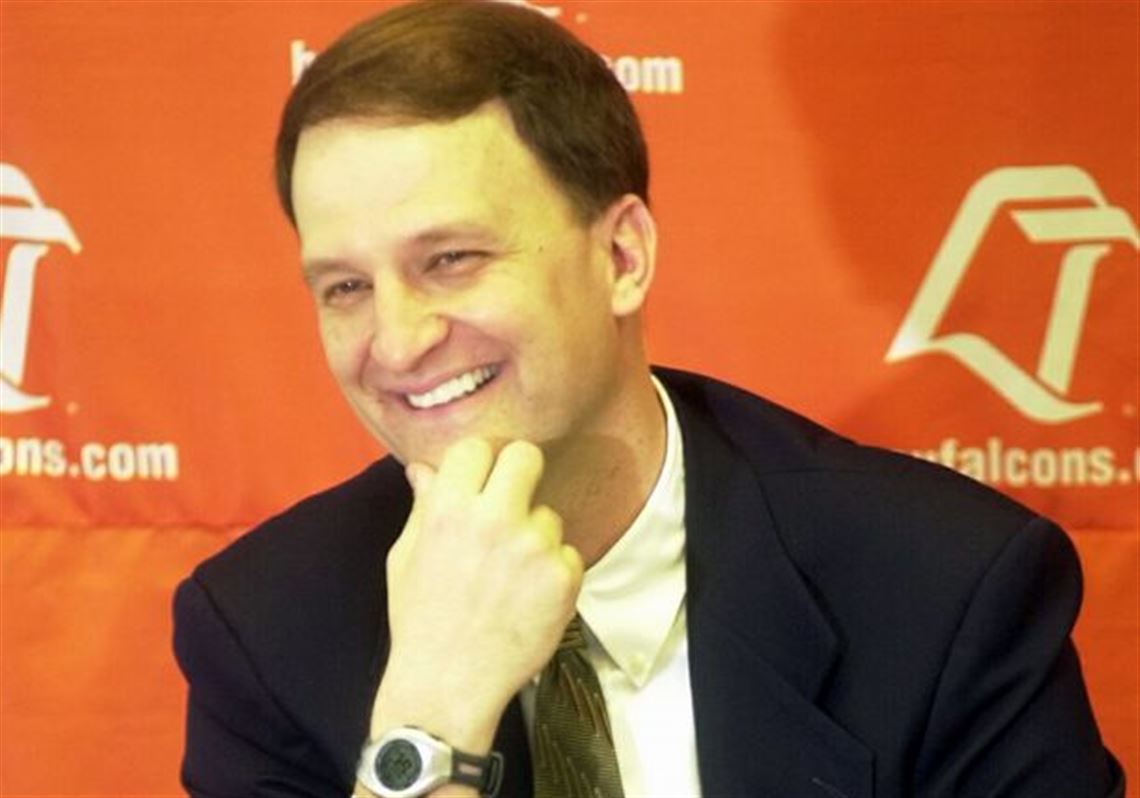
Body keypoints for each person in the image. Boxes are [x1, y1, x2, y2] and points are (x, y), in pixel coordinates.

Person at [173, 2, 1125, 796]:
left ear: (622, 256)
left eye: (451, 259)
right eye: (345, 287)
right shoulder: (266, 631)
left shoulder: (938, 585)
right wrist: (429, 720)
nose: (396, 340)